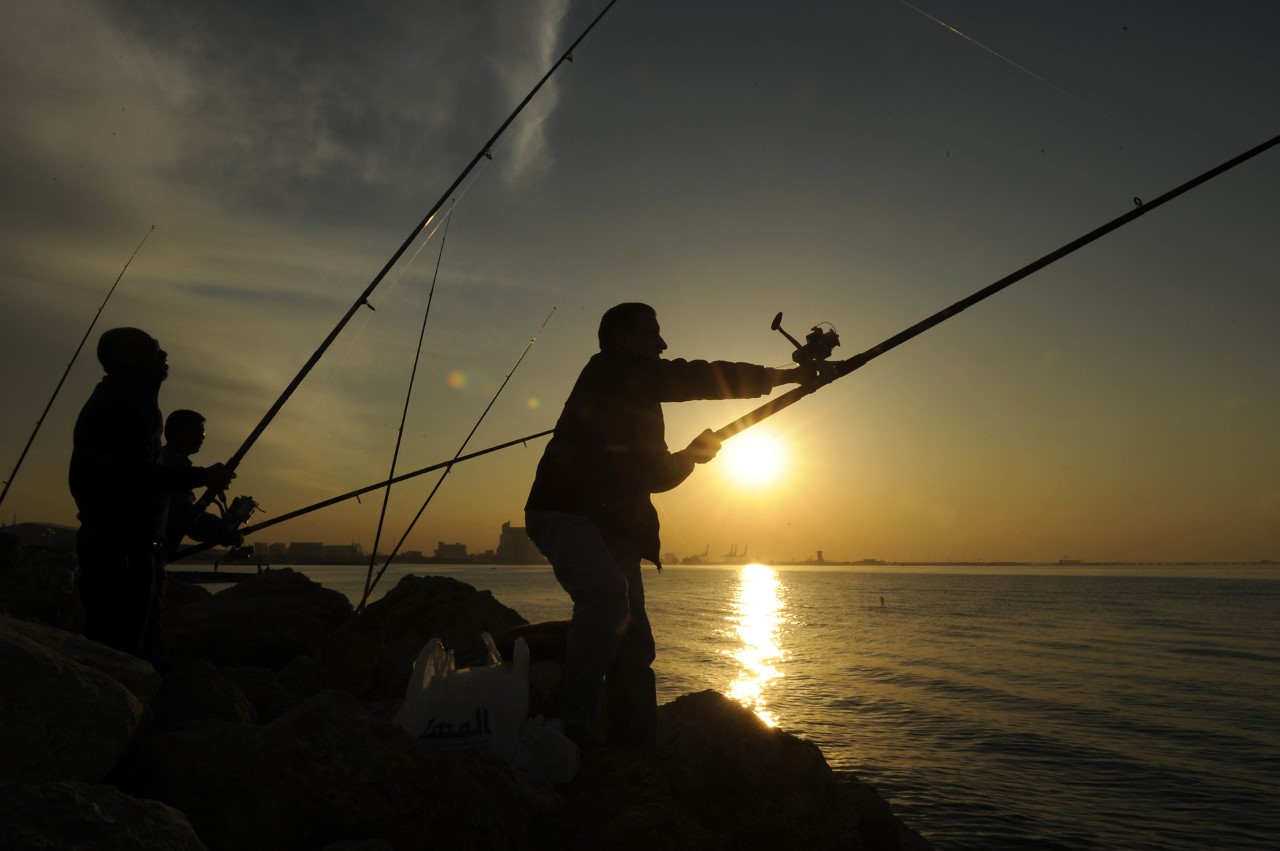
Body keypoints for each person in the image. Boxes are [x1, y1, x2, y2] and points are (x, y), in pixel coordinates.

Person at [524, 303, 806, 749]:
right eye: (651, 334)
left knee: (634, 643)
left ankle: (635, 750)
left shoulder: (642, 403)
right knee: (605, 594)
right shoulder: (610, 370)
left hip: (613, 528)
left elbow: (655, 476)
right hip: (564, 514)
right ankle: (569, 726)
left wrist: (693, 455)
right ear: (619, 338)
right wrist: (781, 377)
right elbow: (693, 377)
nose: (662, 344)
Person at [69, 327, 234, 662]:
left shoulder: (121, 398)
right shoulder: (128, 401)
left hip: (119, 547)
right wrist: (203, 476)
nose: (164, 356)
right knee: (122, 651)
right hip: (124, 550)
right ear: (130, 358)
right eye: (155, 350)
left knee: (125, 644)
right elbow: (139, 474)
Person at [162, 408, 241, 560]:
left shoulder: (170, 460)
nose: (202, 437)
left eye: (203, 433)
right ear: (175, 432)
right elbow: (186, 517)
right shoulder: (169, 462)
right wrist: (222, 532)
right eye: (196, 431)